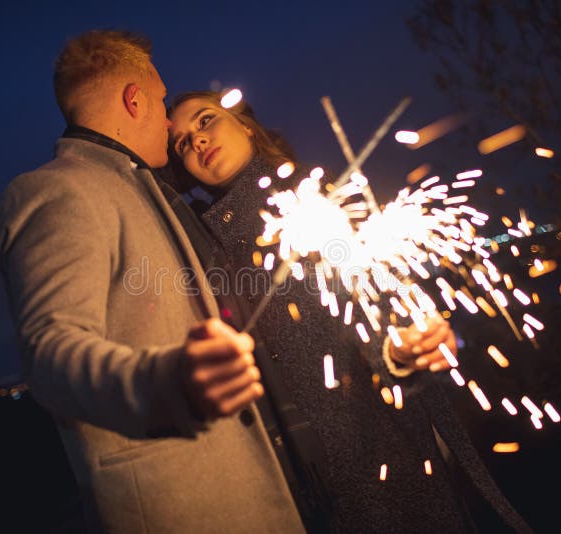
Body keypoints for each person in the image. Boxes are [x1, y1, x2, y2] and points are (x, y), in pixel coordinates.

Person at [167, 91, 532, 532]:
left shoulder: (311, 200)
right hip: (302, 473)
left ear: (245, 125)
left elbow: (373, 298)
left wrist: (399, 348)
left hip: (378, 438)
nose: (197, 142)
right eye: (183, 143)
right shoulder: (203, 240)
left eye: (206, 121)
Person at [0, 31, 307, 533]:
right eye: (162, 103)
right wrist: (166, 385)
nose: (168, 121)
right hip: (187, 511)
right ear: (134, 99)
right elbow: (49, 352)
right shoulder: (58, 190)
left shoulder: (151, 190)